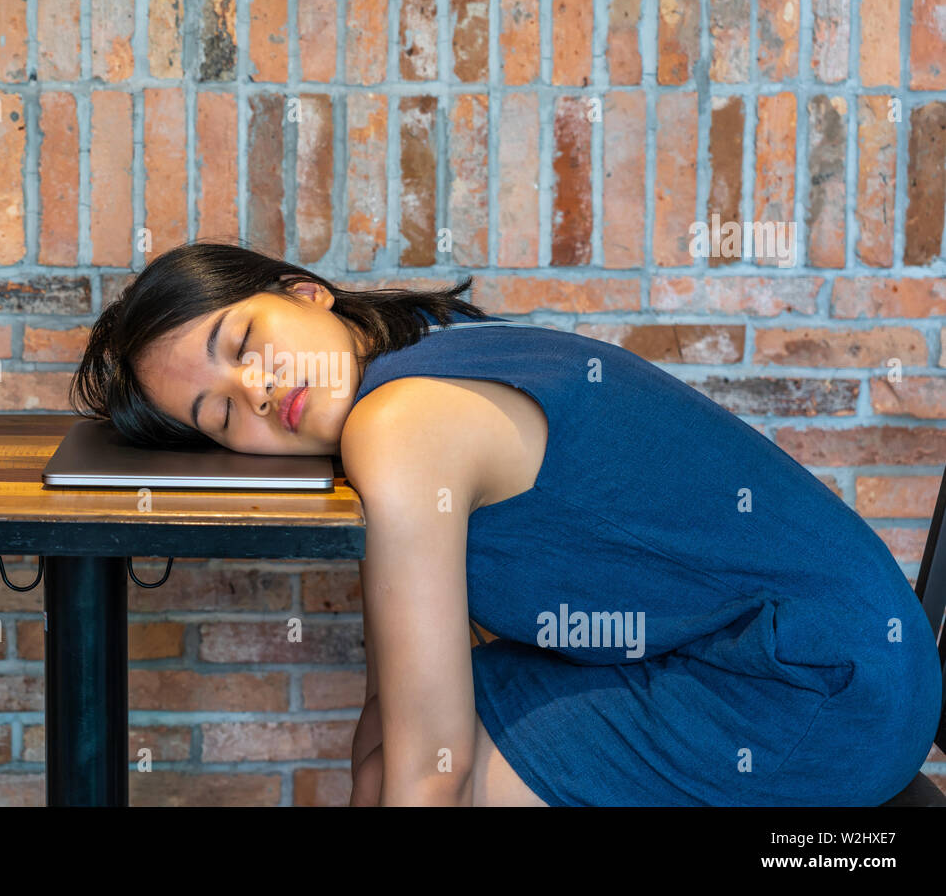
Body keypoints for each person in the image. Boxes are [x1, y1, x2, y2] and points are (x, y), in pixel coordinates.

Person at [69, 239, 943, 807]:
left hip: (819, 690)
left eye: (242, 343)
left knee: (429, 775)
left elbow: (434, 774)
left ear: (306, 294)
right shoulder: (419, 351)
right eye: (221, 415)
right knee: (387, 744)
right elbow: (393, 708)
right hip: (820, 650)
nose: (257, 392)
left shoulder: (400, 423)